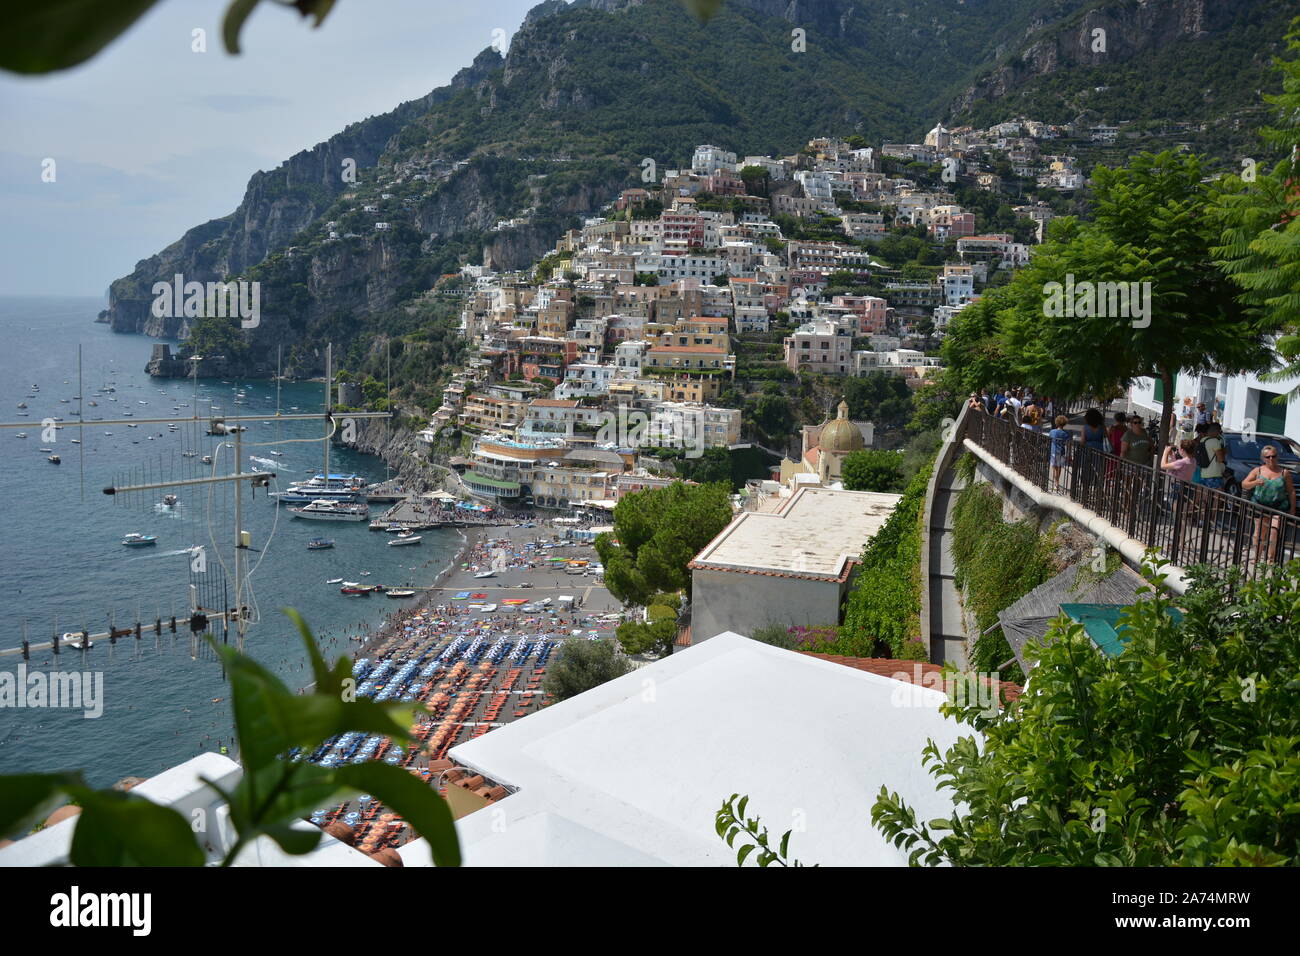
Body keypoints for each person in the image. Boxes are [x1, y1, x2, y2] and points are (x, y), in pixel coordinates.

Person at [1242, 445, 1296, 562]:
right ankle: (1256, 557)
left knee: (1274, 532)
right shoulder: (1258, 470)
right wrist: (1255, 482)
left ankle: (1270, 559)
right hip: (1260, 506)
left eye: (1273, 456)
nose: (1271, 459)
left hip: (1278, 507)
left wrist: (1293, 508)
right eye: (1268, 457)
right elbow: (1244, 484)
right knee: (1259, 533)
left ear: (1277, 457)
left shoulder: (1284, 472)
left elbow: (1291, 491)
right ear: (1263, 458)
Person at [1198, 422, 1227, 491]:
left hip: (1203, 473)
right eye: (1220, 431)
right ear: (1216, 431)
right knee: (1218, 497)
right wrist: (1224, 452)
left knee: (1204, 496)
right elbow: (1220, 459)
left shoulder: (1203, 440)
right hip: (1214, 474)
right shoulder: (1215, 441)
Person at [1048, 415, 1071, 493]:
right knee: (1059, 467)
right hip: (1061, 452)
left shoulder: (1052, 432)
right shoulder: (1066, 434)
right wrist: (1069, 454)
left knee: (1054, 467)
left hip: (1053, 451)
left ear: (1056, 423)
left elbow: (1049, 439)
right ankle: (1057, 483)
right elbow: (1068, 444)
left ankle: (1056, 483)